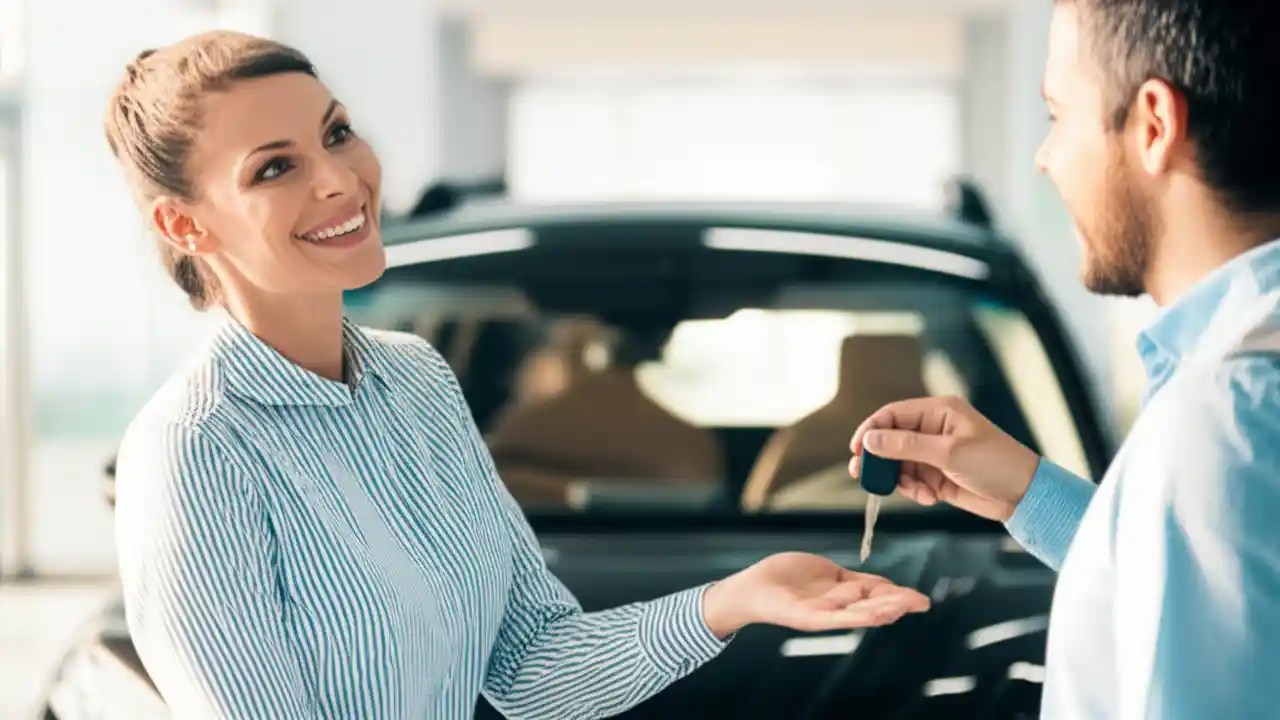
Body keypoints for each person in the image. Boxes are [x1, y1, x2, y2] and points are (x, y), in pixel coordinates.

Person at [106, 32, 929, 719]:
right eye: (273, 169)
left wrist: (733, 600)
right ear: (184, 223)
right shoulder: (193, 449)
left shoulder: (417, 381)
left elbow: (534, 667)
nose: (338, 178)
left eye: (336, 132)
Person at [849, 1, 1280, 718]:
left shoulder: (1225, 412)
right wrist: (1032, 495)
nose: (1045, 157)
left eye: (1058, 115)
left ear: (1152, 125)